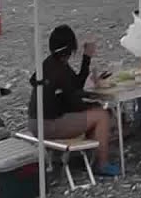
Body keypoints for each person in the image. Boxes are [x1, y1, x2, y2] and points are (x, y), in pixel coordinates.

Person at [28, 25, 118, 177]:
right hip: (48, 124)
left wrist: (87, 57)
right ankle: (102, 164)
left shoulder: (50, 63)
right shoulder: (60, 70)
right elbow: (74, 101)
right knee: (101, 116)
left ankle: (88, 157)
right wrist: (91, 104)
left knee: (94, 112)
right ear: (71, 47)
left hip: (35, 121)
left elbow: (75, 85)